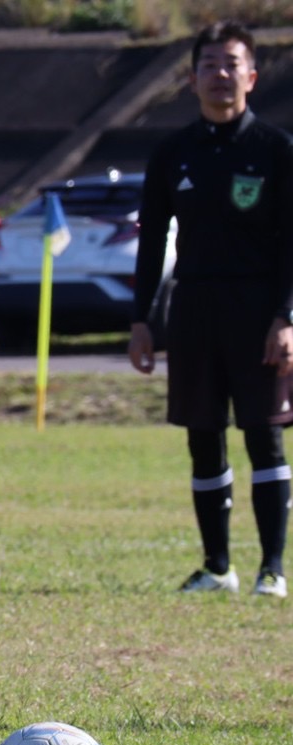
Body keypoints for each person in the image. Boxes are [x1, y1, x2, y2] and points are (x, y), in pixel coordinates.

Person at [128, 20, 293, 599]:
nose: (220, 75)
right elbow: (152, 245)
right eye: (209, 65)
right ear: (192, 77)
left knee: (264, 437)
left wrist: (287, 316)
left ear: (251, 74)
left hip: (259, 315)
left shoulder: (276, 150)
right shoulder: (173, 154)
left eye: (231, 64)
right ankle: (216, 565)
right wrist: (143, 319)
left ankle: (272, 568)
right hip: (194, 311)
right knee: (203, 437)